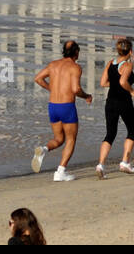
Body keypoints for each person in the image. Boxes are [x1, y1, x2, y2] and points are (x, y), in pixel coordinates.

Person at [31, 40, 93, 182]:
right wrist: (87, 96)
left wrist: (51, 88)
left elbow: (38, 78)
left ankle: (43, 150)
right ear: (76, 52)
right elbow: (76, 89)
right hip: (66, 106)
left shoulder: (53, 65)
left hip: (53, 106)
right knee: (71, 139)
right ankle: (60, 171)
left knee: (59, 139)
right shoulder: (75, 67)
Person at [96, 38, 134, 178]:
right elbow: (123, 81)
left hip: (110, 102)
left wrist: (115, 84)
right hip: (123, 102)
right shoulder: (127, 65)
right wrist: (132, 91)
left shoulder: (111, 63)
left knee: (110, 134)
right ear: (131, 51)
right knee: (132, 130)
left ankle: (101, 165)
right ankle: (125, 162)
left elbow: (103, 83)